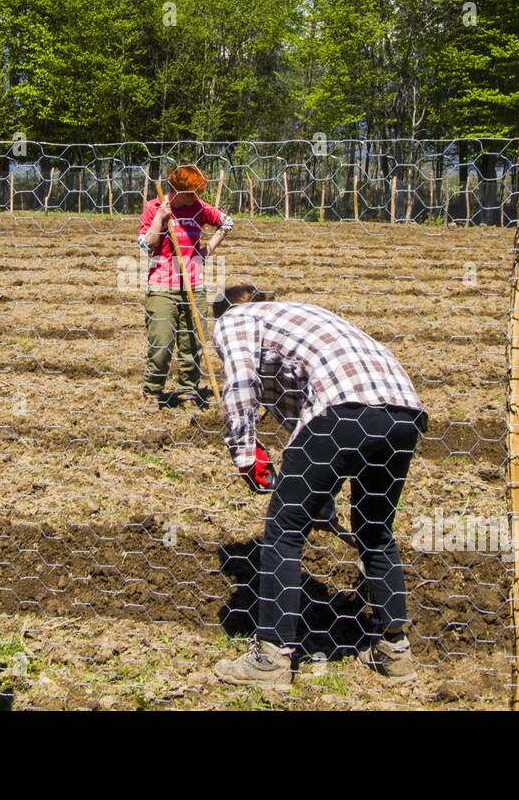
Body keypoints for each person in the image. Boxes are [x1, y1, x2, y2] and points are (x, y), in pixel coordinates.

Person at [209, 283, 428, 690]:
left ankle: (271, 659)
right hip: (403, 412)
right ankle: (393, 651)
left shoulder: (235, 318)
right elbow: (308, 417)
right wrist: (319, 495)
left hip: (343, 409)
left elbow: (240, 384)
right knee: (375, 532)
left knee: (284, 530)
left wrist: (243, 452)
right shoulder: (301, 316)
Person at [138, 164, 232, 408]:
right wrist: (160, 217)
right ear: (175, 190)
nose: (196, 197)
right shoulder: (153, 206)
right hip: (161, 286)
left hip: (194, 285)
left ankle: (187, 389)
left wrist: (208, 249)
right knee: (162, 342)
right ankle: (152, 390)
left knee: (192, 342)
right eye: (192, 192)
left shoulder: (200, 207)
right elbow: (147, 245)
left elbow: (226, 223)